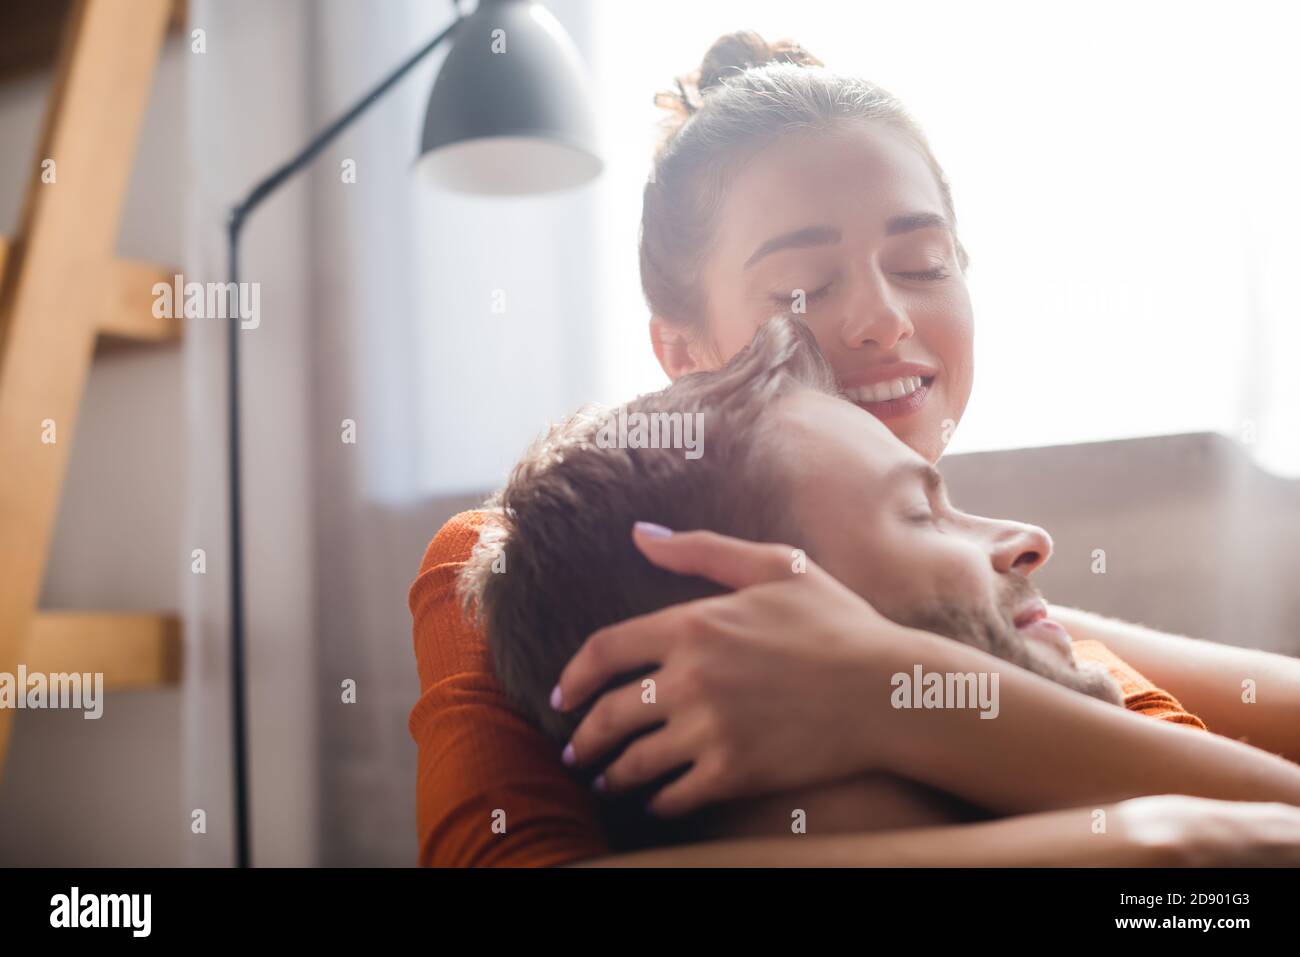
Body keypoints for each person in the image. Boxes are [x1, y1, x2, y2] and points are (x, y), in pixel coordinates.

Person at [408, 31, 1300, 866]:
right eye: (799, 288)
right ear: (680, 356)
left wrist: (898, 688)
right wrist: (1155, 839)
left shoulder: (992, 599)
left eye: (922, 264)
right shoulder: (528, 564)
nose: (885, 317)